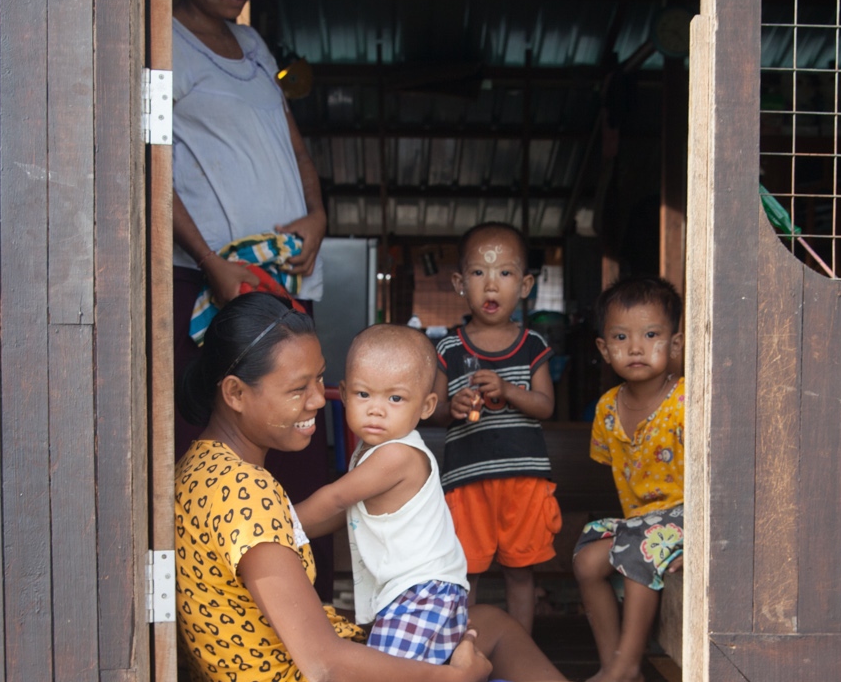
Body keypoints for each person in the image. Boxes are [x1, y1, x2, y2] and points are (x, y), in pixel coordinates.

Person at [174, 293, 565, 682]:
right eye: (298, 389)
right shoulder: (244, 492)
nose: (317, 401)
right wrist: (453, 679)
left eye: (319, 380)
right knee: (486, 639)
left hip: (311, 653)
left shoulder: (202, 467)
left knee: (493, 623)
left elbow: (317, 516)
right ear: (236, 394)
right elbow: (324, 666)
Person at [169, 0, 335, 598]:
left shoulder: (255, 43)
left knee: (300, 421)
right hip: (217, 281)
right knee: (220, 430)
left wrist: (320, 214)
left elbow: (294, 144)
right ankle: (223, 607)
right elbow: (151, 168)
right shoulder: (163, 46)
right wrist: (210, 262)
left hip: (285, 273)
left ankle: (308, 608)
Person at [296, 325, 469, 664]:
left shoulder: (398, 455)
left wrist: (271, 523)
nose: (376, 409)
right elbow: (338, 515)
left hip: (422, 593)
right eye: (364, 395)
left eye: (395, 398)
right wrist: (294, 533)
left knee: (383, 673)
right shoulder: (371, 449)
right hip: (416, 593)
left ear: (427, 405)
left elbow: (334, 499)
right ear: (344, 394)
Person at [430, 222, 560, 634]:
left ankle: (520, 653)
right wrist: (454, 406)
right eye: (479, 273)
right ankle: (465, 650)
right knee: (466, 573)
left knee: (520, 573)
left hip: (523, 482)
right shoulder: (449, 347)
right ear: (458, 282)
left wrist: (507, 389)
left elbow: (545, 406)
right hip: (467, 484)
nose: (491, 286)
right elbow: (431, 409)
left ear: (524, 285)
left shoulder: (532, 344)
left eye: (504, 274)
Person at [572, 277, 687, 682]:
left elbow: (720, 485)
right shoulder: (606, 409)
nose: (636, 348)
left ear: (675, 344)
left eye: (651, 335)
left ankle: (625, 665)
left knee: (639, 548)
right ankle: (614, 665)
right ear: (604, 349)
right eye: (621, 337)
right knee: (587, 558)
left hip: (689, 519)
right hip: (643, 523)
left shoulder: (688, 401)